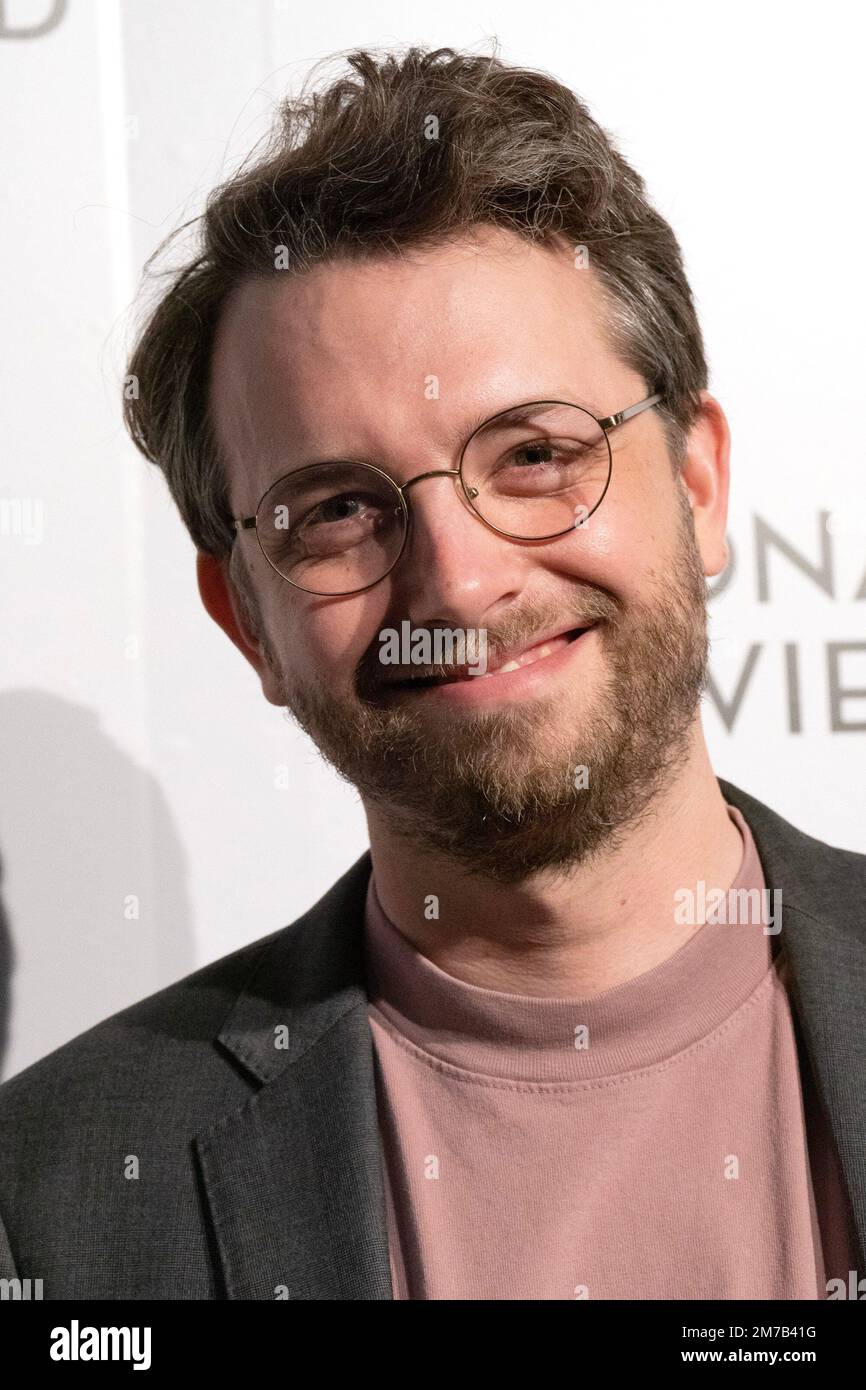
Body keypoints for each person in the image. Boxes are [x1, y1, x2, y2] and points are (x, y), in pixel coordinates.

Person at [1, 45, 863, 1301]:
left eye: (531, 454)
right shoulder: (48, 1210)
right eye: (338, 508)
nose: (458, 584)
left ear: (695, 482)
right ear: (246, 620)